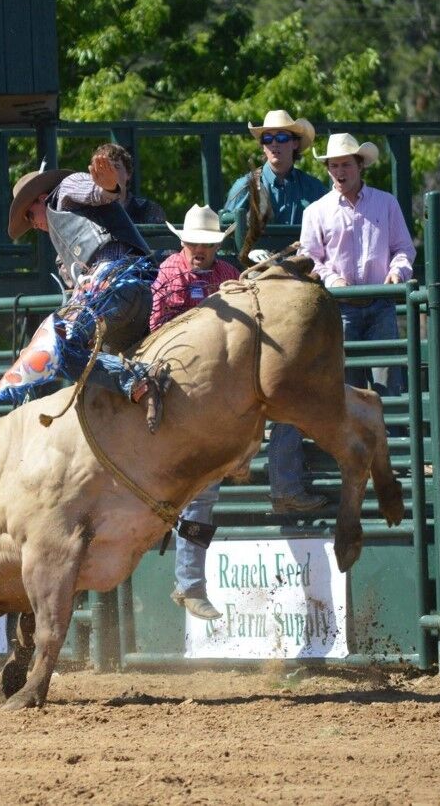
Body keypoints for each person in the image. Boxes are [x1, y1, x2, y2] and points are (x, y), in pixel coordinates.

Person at [0, 153, 168, 431]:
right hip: (132, 296)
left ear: (41, 198)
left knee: (56, 348)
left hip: (116, 286)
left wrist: (107, 187)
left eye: (29, 214)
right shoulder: (65, 242)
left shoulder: (66, 190)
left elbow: (96, 192)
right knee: (56, 349)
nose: (32, 223)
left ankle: (137, 379)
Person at [221, 109, 327, 515]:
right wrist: (249, 255)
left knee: (289, 390)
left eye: (282, 138)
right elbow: (228, 241)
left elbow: (326, 242)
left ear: (296, 144)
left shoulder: (314, 189)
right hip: (258, 302)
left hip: (302, 302)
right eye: (268, 139)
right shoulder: (243, 189)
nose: (275, 146)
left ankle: (285, 483)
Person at [147, 205, 241, 621]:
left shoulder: (228, 276)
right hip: (178, 388)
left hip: (215, 395)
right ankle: (188, 583)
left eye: (207, 244)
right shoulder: (171, 273)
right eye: (194, 243)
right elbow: (157, 329)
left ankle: (189, 583)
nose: (200, 249)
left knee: (204, 494)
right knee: (194, 494)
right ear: (183, 243)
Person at [300, 133, 415, 399]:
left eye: (346, 164)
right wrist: (333, 280)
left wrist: (397, 271)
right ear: (328, 169)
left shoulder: (386, 203)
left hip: (380, 304)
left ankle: (390, 439)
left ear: (360, 165)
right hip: (339, 308)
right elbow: (310, 260)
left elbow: (404, 249)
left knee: (387, 386)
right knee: (346, 388)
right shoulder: (316, 212)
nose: (339, 172)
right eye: (334, 165)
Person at [91, 142, 167, 225]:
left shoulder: (149, 210)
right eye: (104, 167)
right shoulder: (86, 211)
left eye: (116, 166)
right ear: (94, 174)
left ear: (128, 174)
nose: (110, 173)